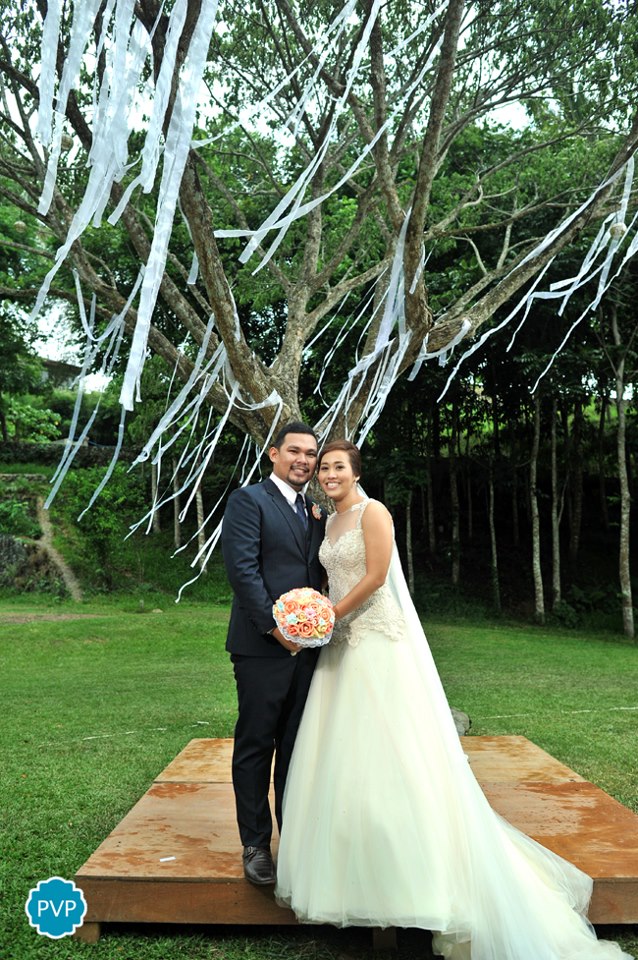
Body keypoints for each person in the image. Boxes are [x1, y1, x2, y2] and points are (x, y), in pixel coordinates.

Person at [275, 440, 630, 960]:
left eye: (337, 467)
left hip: (377, 645)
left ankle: (421, 883)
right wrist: (314, 616)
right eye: (323, 467)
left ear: (355, 473)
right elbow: (329, 579)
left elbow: (375, 578)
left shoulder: (374, 513)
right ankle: (355, 880)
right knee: (343, 762)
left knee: (395, 757)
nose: (327, 474)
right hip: (340, 653)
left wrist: (327, 617)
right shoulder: (327, 523)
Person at [221, 421, 326, 886]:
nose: (303, 460)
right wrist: (274, 627)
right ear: (273, 453)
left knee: (296, 747)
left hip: (308, 651)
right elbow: (243, 571)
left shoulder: (314, 511)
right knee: (256, 744)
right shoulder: (249, 501)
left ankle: (295, 839)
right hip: (262, 647)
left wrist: (312, 629)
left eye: (311, 454)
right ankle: (255, 846)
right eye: (295, 451)